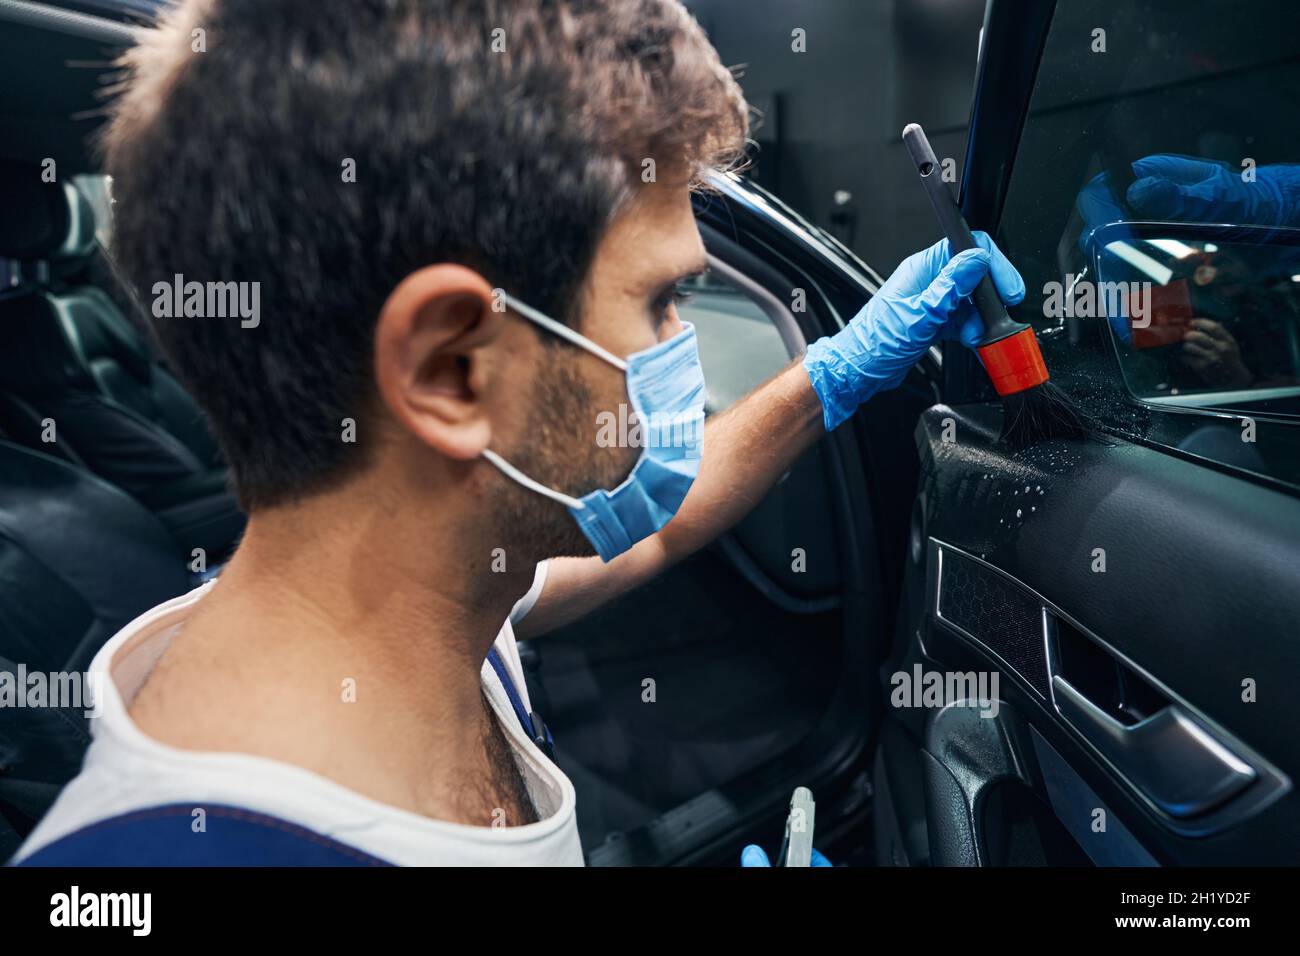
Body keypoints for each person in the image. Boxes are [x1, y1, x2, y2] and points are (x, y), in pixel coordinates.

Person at [12, 0, 1023, 866]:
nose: (682, 344)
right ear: (452, 369)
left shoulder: (431, 607)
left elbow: (659, 527)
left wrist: (835, 373)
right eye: (664, 299)